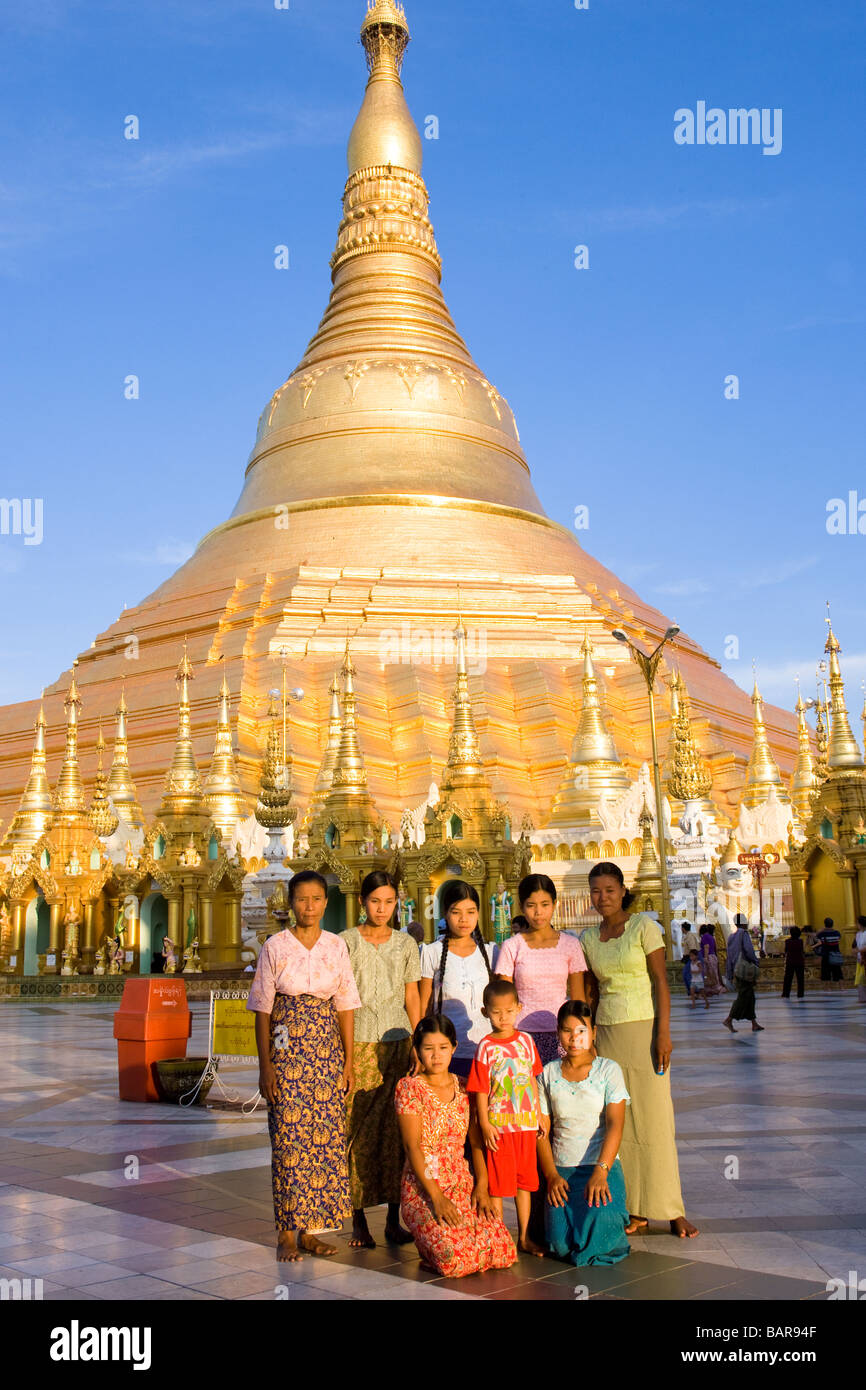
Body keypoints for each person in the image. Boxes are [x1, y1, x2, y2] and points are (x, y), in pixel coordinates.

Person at [248, 869, 362, 1262]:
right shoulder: (275, 947)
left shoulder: (336, 946)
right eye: (301, 899)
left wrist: (347, 1062)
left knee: (325, 1141)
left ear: (326, 903)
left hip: (326, 1053)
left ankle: (313, 1231)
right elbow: (262, 1010)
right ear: (290, 902)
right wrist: (265, 1067)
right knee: (288, 1140)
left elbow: (345, 1005)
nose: (309, 906)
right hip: (286, 1051)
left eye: (316, 899)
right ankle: (286, 1233)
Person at [579, 861, 697, 1239]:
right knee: (619, 1122)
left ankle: (671, 1208)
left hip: (645, 1030)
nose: (603, 898)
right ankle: (634, 1208)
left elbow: (660, 982)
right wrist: (589, 1038)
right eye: (596, 891)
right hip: (607, 1035)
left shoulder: (645, 928)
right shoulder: (588, 938)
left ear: (622, 889)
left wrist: (663, 1032)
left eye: (609, 890)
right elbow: (591, 992)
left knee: (656, 1119)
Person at [395, 1016, 517, 1277]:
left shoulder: (464, 1086)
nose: (436, 1056)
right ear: (417, 1050)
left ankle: (450, 1243)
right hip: (424, 1186)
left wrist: (481, 1186)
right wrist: (437, 1198)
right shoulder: (408, 1088)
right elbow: (412, 1147)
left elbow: (475, 1142)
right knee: (454, 1261)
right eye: (428, 1048)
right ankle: (430, 1244)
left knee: (503, 1251)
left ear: (454, 1047)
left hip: (462, 1182)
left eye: (443, 1047)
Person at [343, 870, 421, 1250]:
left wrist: (418, 1044)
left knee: (396, 1132)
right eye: (375, 901)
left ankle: (394, 1218)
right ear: (362, 902)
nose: (382, 909)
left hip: (397, 1041)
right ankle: (358, 1218)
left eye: (389, 902)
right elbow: (340, 999)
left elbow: (412, 997)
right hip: (358, 1042)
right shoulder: (345, 943)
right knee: (357, 1130)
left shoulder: (406, 944)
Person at [537, 1001, 631, 1266]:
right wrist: (551, 1176)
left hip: (600, 1167)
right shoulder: (547, 1073)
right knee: (560, 1244)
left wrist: (601, 1172)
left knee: (600, 1234)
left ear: (594, 1032)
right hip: (562, 1171)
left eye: (581, 1030)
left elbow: (615, 1123)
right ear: (558, 1034)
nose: (574, 1038)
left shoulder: (608, 1070)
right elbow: (541, 1132)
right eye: (567, 1031)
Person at [466, 979, 544, 1257]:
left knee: (524, 1184)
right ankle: (499, 1239)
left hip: (525, 1124)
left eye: (509, 1011)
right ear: (485, 1012)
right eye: (497, 1012)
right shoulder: (485, 1047)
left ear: (518, 1009)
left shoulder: (526, 1041)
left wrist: (538, 1114)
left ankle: (523, 1237)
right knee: (499, 1186)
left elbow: (533, 1081)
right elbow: (481, 1090)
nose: (503, 1018)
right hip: (499, 1128)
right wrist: (485, 1123)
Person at [494, 874, 587, 1065]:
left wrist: (584, 1039)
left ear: (555, 904)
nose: (538, 913)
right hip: (520, 1035)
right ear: (521, 907)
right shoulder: (512, 946)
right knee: (525, 1093)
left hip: (563, 1035)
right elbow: (504, 999)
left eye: (545, 904)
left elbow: (578, 998)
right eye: (531, 905)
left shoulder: (571, 944)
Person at [419, 880, 494, 1078]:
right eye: (456, 912)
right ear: (445, 913)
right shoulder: (431, 952)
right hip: (444, 1053)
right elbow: (424, 1006)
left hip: (485, 1051)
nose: (464, 919)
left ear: (478, 913)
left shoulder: (490, 952)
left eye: (471, 912)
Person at [723, 913, 763, 1034]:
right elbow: (749, 950)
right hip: (746, 970)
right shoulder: (743, 934)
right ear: (744, 922)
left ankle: (754, 1023)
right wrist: (756, 962)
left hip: (737, 970)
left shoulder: (731, 937)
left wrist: (729, 974)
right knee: (744, 997)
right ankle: (729, 1019)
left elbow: (729, 957)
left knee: (749, 997)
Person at [815, 917, 844, 988]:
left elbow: (816, 937)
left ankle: (828, 988)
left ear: (825, 924)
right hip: (835, 955)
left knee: (826, 971)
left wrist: (821, 930)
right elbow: (839, 939)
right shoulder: (837, 933)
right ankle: (842, 987)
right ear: (832, 924)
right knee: (838, 971)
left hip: (826, 955)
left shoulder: (822, 934)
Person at [699, 923, 726, 995]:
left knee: (709, 973)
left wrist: (705, 957)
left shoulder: (705, 936)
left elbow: (706, 947)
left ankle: (713, 989)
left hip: (709, 956)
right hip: (713, 956)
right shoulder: (712, 937)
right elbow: (715, 948)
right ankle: (716, 987)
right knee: (714, 973)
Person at [781, 925, 805, 1000]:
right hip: (799, 961)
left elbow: (785, 951)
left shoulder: (787, 941)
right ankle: (800, 994)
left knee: (788, 978)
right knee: (800, 978)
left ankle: (786, 993)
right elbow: (802, 951)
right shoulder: (800, 941)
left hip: (790, 961)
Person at [855, 915, 866, 1005]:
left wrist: (859, 951)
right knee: (860, 979)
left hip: (864, 958)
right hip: (860, 958)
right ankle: (862, 998)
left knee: (862, 978)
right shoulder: (858, 934)